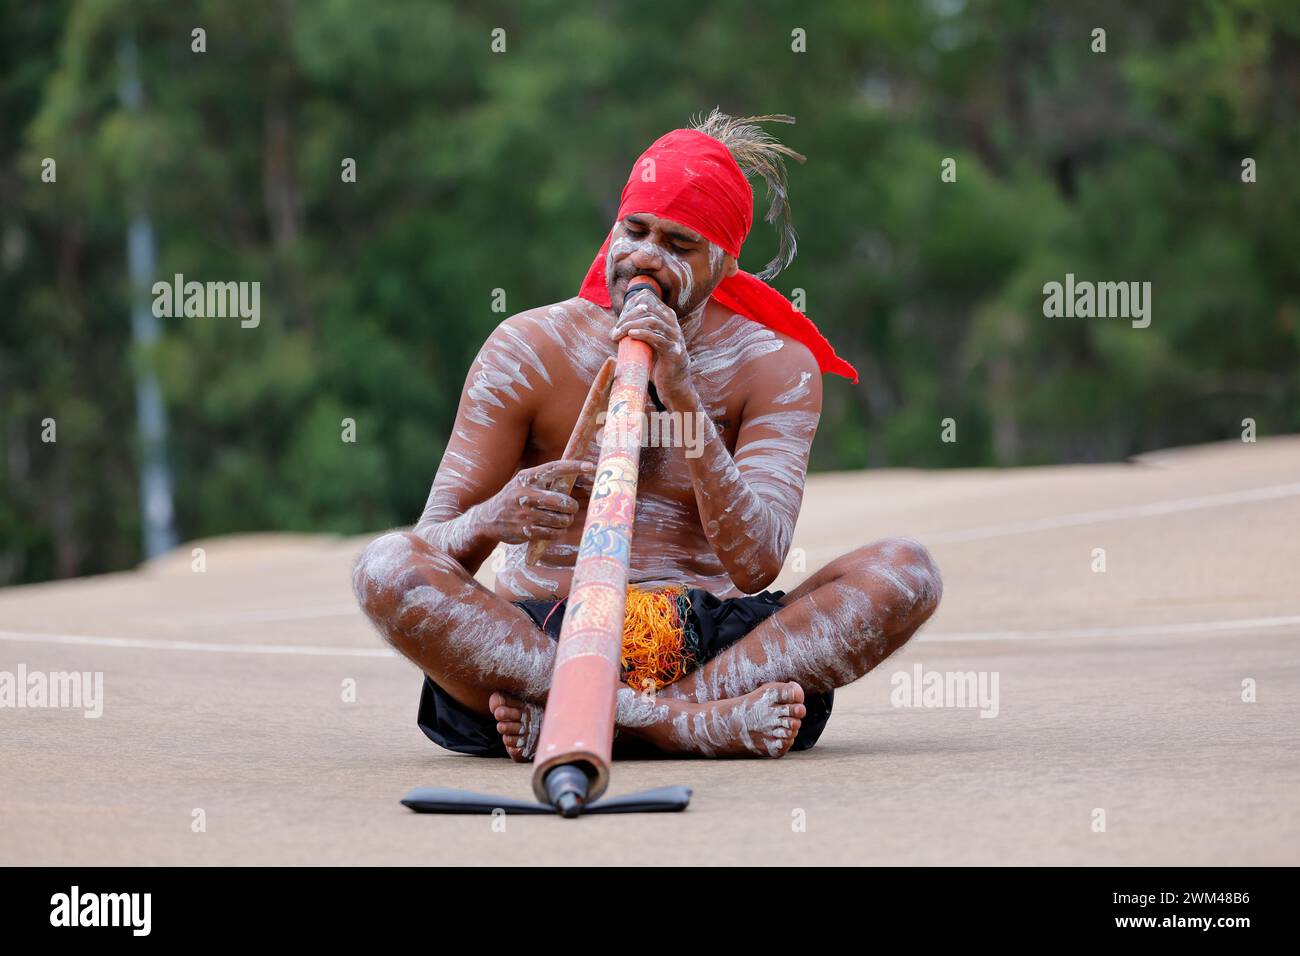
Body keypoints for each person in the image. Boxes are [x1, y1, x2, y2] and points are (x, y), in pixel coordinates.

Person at [353, 109, 942, 761]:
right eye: (634, 230)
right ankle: (680, 726)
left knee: (905, 572)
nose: (644, 259)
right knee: (386, 567)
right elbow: (433, 548)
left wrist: (684, 393)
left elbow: (757, 562)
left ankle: (606, 719)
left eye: (680, 245)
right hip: (542, 637)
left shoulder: (775, 365)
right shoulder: (527, 347)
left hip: (709, 642)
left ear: (722, 262)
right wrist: (492, 518)